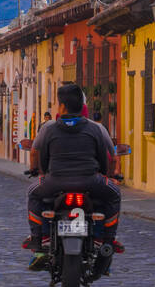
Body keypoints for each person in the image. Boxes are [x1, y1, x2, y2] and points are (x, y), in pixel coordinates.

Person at [25, 82, 122, 270]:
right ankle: (107, 240)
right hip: (90, 181)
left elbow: (42, 159)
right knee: (115, 193)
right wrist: (104, 175)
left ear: (62, 107)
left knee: (32, 193)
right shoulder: (95, 129)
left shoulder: (49, 128)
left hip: (55, 181)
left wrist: (45, 173)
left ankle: (40, 238)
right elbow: (104, 159)